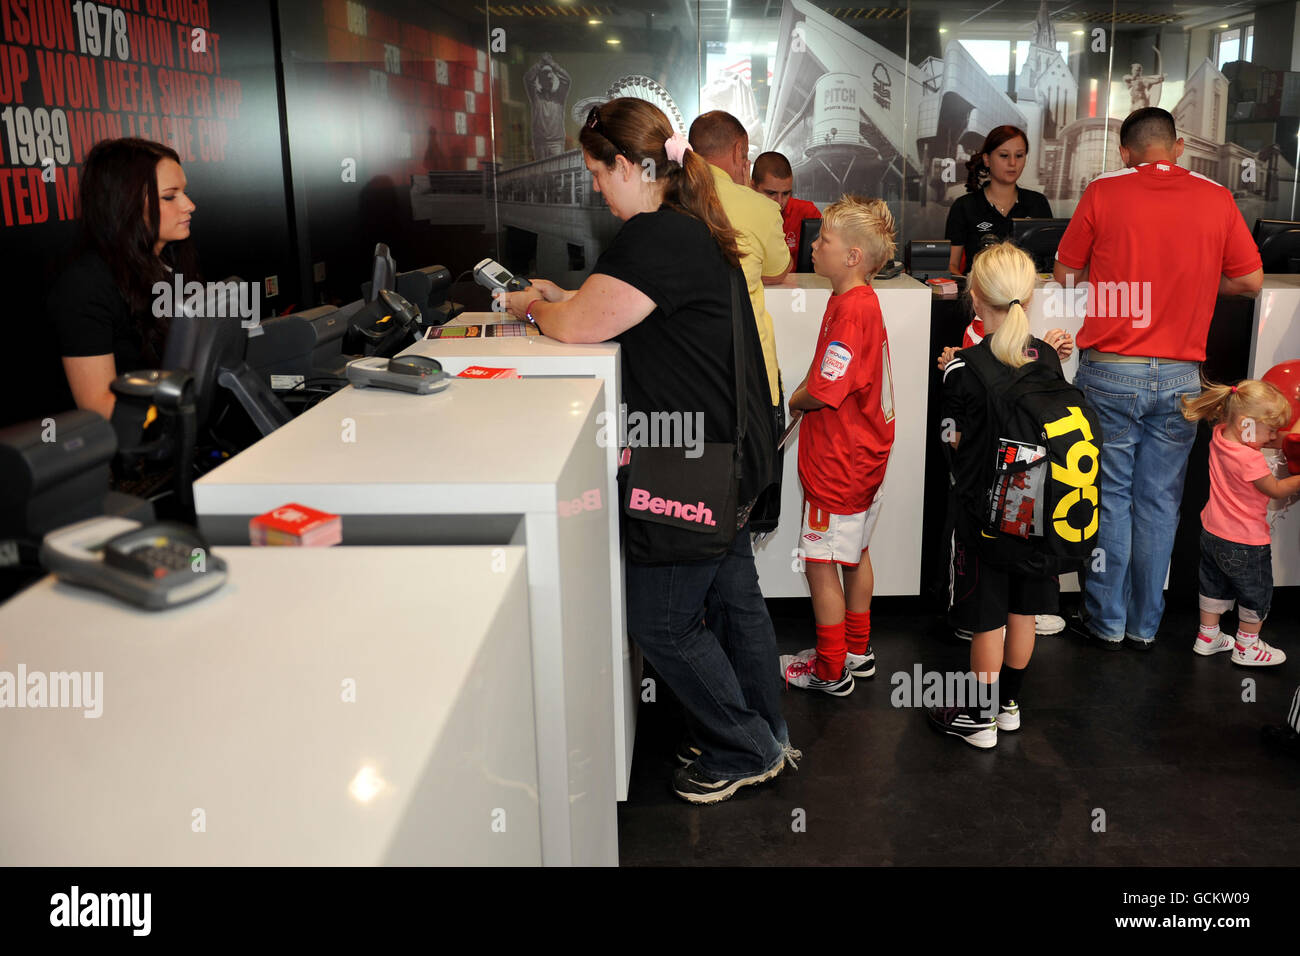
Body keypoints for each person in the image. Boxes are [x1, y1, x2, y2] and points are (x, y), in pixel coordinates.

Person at [499, 97, 795, 804]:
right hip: (732, 453)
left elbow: (574, 327)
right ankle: (770, 734)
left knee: (660, 619)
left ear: (631, 167)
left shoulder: (653, 238)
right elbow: (624, 308)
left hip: (692, 465)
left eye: (599, 173)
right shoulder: (687, 227)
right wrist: (566, 298)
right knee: (735, 600)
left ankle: (746, 744)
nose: (596, 188)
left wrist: (533, 306)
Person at [1054, 107, 1263, 650]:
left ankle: (1107, 621)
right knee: (1160, 504)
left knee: (1111, 497)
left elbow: (1064, 273)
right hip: (1181, 379)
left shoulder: (1103, 192)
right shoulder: (1217, 196)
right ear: (1179, 146)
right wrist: (1195, 284)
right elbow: (1251, 279)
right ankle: (1146, 625)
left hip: (1111, 371)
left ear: (1125, 152)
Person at [930, 242, 1064, 748]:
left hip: (982, 508)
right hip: (1032, 502)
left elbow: (952, 441)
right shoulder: (1047, 356)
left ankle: (979, 720)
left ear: (974, 295)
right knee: (1023, 610)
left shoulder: (963, 368)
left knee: (986, 618)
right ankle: (1008, 707)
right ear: (1029, 296)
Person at [778, 196, 896, 696]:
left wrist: (794, 399)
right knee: (857, 553)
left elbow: (824, 390)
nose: (813, 247)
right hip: (864, 460)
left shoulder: (850, 311)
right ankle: (856, 648)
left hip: (838, 464)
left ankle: (830, 669)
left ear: (852, 256)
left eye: (823, 240)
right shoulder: (857, 302)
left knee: (821, 566)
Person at [690, 111, 792, 533]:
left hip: (691, 380)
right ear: (737, 152)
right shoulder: (758, 207)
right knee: (746, 506)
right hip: (751, 378)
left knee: (697, 505)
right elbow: (778, 269)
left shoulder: (668, 201)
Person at [49, 138, 198, 421]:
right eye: (170, 196)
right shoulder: (85, 286)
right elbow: (98, 407)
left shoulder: (171, 264)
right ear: (126, 204)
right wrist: (185, 411)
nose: (189, 205)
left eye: (184, 192)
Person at [1180, 380, 1300, 666]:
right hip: (1246, 542)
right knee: (1256, 593)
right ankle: (1247, 646)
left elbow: (1243, 428)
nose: (1273, 438)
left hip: (1212, 533)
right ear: (1246, 424)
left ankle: (1208, 638)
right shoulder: (1249, 459)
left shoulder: (1220, 436)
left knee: (1213, 587)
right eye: (1270, 430)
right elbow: (1276, 490)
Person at [944, 125, 1051, 277]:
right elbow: (951, 266)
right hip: (979, 296)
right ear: (987, 159)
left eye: (1019, 155)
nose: (1012, 163)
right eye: (1004, 155)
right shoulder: (964, 206)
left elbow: (1050, 263)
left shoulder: (1038, 203)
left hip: (1030, 296)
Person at [751, 150, 821, 256]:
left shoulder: (807, 213)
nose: (779, 202)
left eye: (786, 193)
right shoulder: (739, 215)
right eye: (771, 193)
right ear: (753, 187)